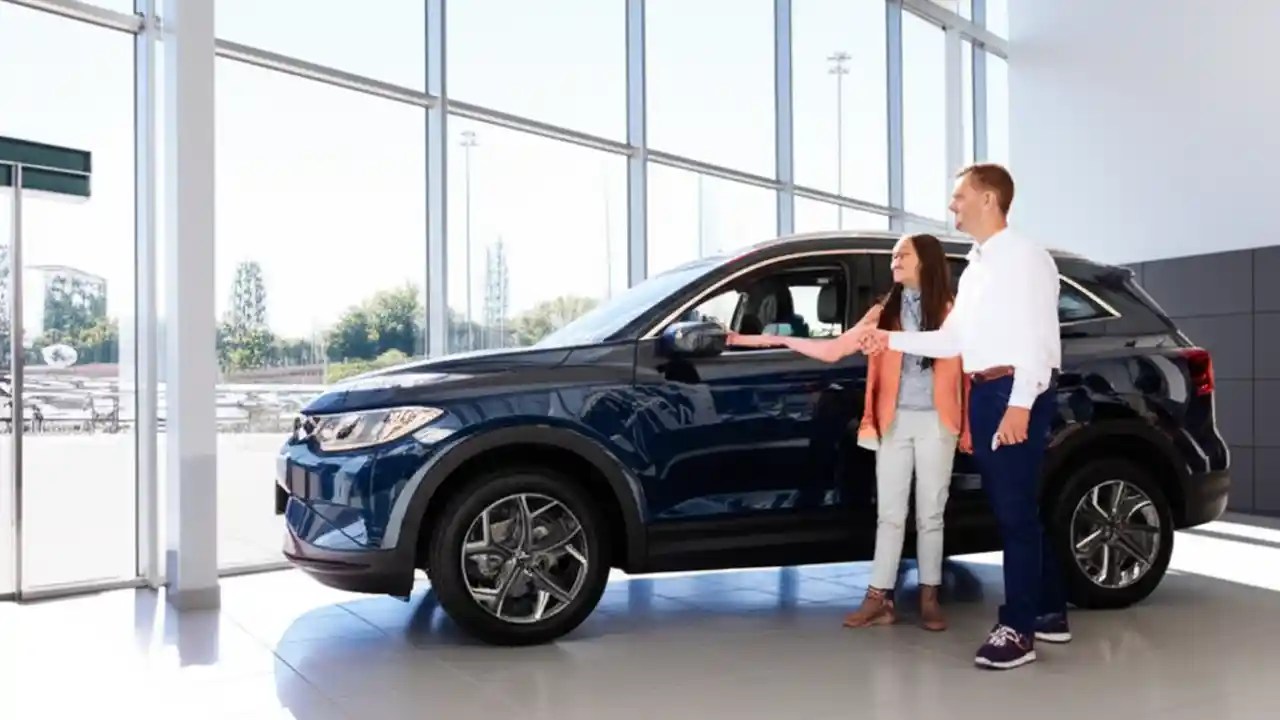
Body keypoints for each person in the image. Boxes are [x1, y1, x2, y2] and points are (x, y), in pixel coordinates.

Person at [856, 163, 1068, 670]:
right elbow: (953, 341)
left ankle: (1017, 631)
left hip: (1012, 389)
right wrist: (889, 339)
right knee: (1018, 508)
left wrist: (1019, 404)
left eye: (959, 196)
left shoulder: (1024, 258)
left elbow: (1038, 338)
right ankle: (1047, 610)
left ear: (990, 199)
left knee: (1013, 515)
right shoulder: (978, 267)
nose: (952, 206)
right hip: (989, 388)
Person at [726, 233, 971, 632]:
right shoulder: (883, 312)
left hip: (936, 421)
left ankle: (930, 596)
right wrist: (757, 340)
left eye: (902, 255)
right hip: (893, 421)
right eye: (893, 256)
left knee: (931, 513)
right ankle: (879, 598)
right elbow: (832, 350)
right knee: (890, 514)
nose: (895, 261)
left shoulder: (950, 311)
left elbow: (963, 355)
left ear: (925, 261)